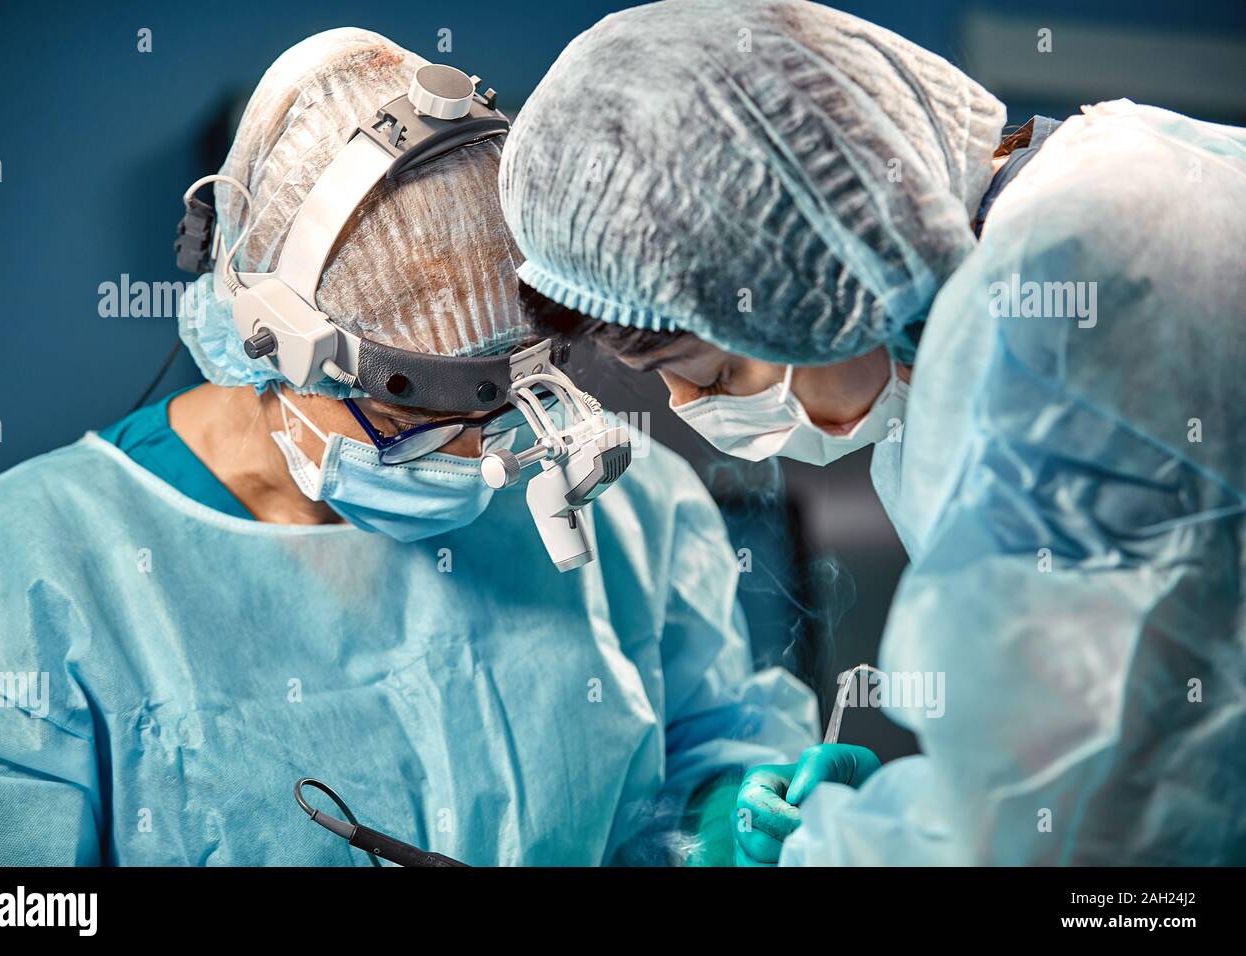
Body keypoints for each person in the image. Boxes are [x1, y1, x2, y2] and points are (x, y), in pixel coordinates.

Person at [0, 28, 818, 866]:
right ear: (276, 348)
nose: (487, 456)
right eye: (422, 418)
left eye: (511, 399)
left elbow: (707, 752)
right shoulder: (15, 586)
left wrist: (724, 831)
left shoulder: (634, 512)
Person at [498, 0, 1246, 864]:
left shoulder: (1063, 306)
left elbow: (1094, 823)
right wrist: (915, 798)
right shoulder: (1100, 195)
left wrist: (834, 849)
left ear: (811, 256)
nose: (689, 409)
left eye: (711, 372)